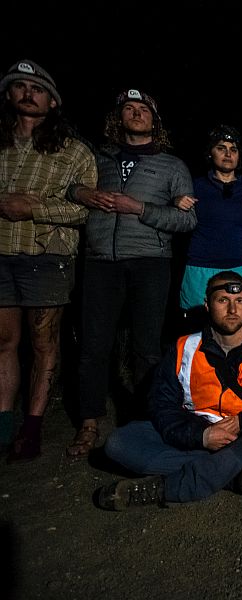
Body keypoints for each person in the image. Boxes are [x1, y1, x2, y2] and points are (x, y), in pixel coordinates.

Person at [96, 271, 242, 510]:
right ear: (207, 305)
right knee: (119, 443)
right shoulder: (185, 347)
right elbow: (161, 405)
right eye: (223, 301)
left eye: (239, 301)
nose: (232, 309)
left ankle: (169, 487)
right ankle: (231, 474)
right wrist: (201, 435)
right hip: (198, 434)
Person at [67, 88, 197, 458]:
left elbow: (187, 219)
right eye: (129, 108)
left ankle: (145, 418)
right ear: (118, 117)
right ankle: (89, 422)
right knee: (93, 345)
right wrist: (82, 193)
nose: (136, 113)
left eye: (143, 109)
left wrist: (139, 208)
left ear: (154, 120)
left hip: (149, 261)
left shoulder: (171, 165)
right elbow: (69, 186)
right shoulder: (97, 158)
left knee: (146, 347)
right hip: (100, 261)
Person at [0, 59, 96, 461]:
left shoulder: (73, 152)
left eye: (37, 88)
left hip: (46, 254)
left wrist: (33, 208)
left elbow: (84, 209)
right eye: (20, 86)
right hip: (2, 251)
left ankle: (33, 425)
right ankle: (5, 422)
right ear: (8, 94)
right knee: (4, 341)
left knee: (44, 341)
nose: (28, 93)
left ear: (52, 101)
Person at [178, 125, 242, 331]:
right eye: (221, 148)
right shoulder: (194, 185)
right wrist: (175, 199)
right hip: (201, 268)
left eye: (233, 150)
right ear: (210, 152)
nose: (227, 154)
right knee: (196, 328)